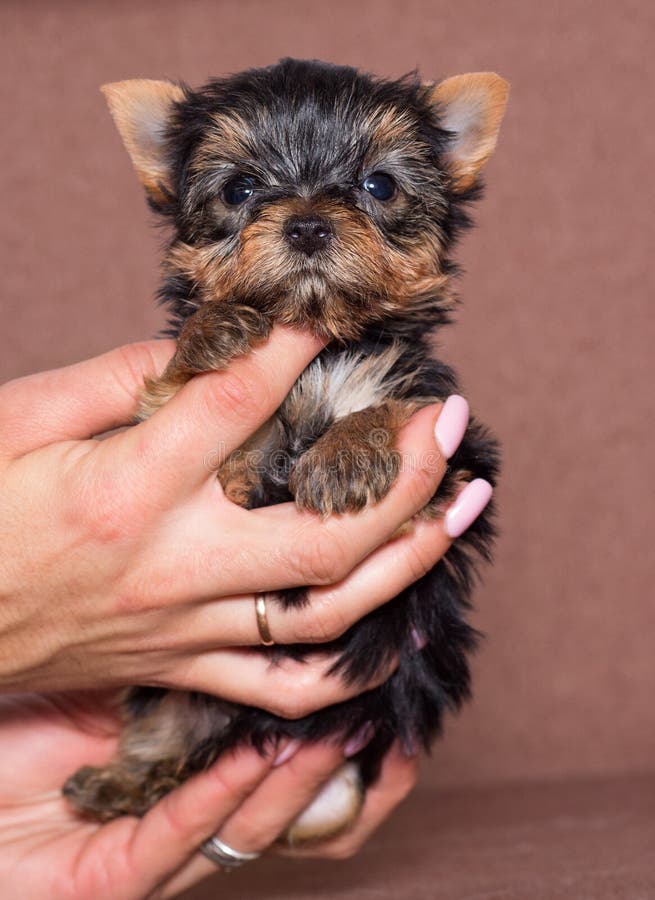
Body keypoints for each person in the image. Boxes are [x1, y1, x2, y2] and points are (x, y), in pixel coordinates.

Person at [0, 327, 490, 898]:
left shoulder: (395, 379)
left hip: (349, 691)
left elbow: (444, 479)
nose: (309, 232)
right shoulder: (209, 363)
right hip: (193, 697)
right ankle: (161, 758)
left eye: (383, 227)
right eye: (236, 229)